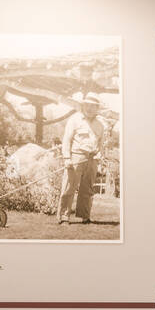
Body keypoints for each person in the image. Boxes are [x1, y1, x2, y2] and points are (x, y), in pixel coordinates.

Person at [58, 93, 107, 224]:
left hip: (92, 159)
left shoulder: (100, 125)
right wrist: (67, 158)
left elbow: (101, 144)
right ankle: (64, 217)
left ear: (97, 108)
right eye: (87, 105)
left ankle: (85, 216)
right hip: (77, 157)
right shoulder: (74, 120)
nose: (89, 108)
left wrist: (99, 155)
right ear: (83, 105)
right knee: (69, 187)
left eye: (93, 106)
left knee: (88, 189)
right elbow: (67, 140)